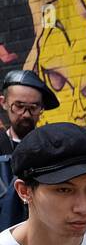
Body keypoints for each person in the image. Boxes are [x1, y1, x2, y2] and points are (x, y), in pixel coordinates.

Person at [0, 69, 60, 232]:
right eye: (19, 106)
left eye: (33, 107)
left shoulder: (51, 149)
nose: (26, 114)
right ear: (4, 102)